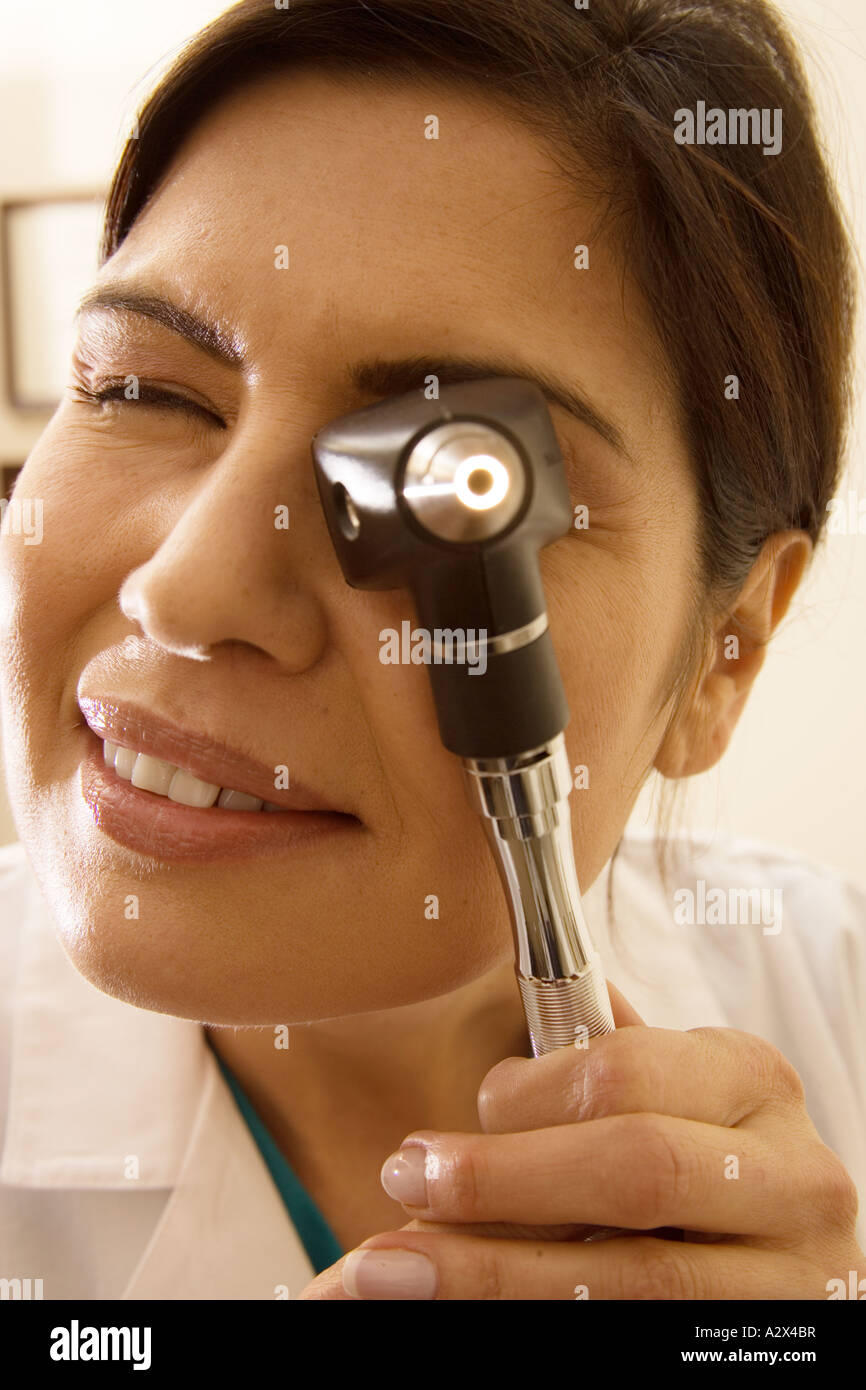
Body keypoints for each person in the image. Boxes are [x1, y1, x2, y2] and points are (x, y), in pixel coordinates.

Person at [0, 0, 863, 1301]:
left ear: (726, 647)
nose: (185, 589)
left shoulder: (832, 989)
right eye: (141, 388)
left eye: (455, 475)